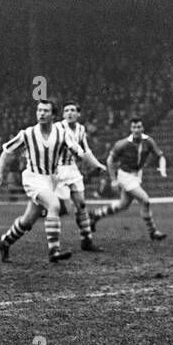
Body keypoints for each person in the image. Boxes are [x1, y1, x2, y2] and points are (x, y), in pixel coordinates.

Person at [0, 99, 99, 263]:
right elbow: (7, 151)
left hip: (51, 179)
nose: (41, 114)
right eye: (39, 110)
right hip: (34, 177)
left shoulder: (62, 134)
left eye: (45, 111)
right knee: (54, 205)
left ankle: (5, 242)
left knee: (29, 219)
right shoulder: (28, 133)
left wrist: (87, 159)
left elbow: (77, 150)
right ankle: (54, 251)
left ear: (53, 115)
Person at [89, 117, 167, 241]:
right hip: (125, 176)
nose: (137, 130)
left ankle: (95, 215)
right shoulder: (123, 144)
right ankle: (153, 231)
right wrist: (114, 180)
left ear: (143, 128)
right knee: (145, 200)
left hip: (137, 175)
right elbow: (110, 161)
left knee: (123, 205)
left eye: (139, 127)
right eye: (134, 127)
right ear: (131, 129)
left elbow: (161, 156)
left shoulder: (148, 141)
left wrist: (162, 169)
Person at [53, 102, 109, 252]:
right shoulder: (58, 127)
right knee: (63, 208)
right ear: (63, 114)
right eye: (66, 110)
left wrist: (98, 165)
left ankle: (86, 240)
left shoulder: (81, 129)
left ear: (79, 114)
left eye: (73, 110)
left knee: (81, 205)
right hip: (57, 170)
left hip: (72, 169)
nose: (69, 113)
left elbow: (86, 150)